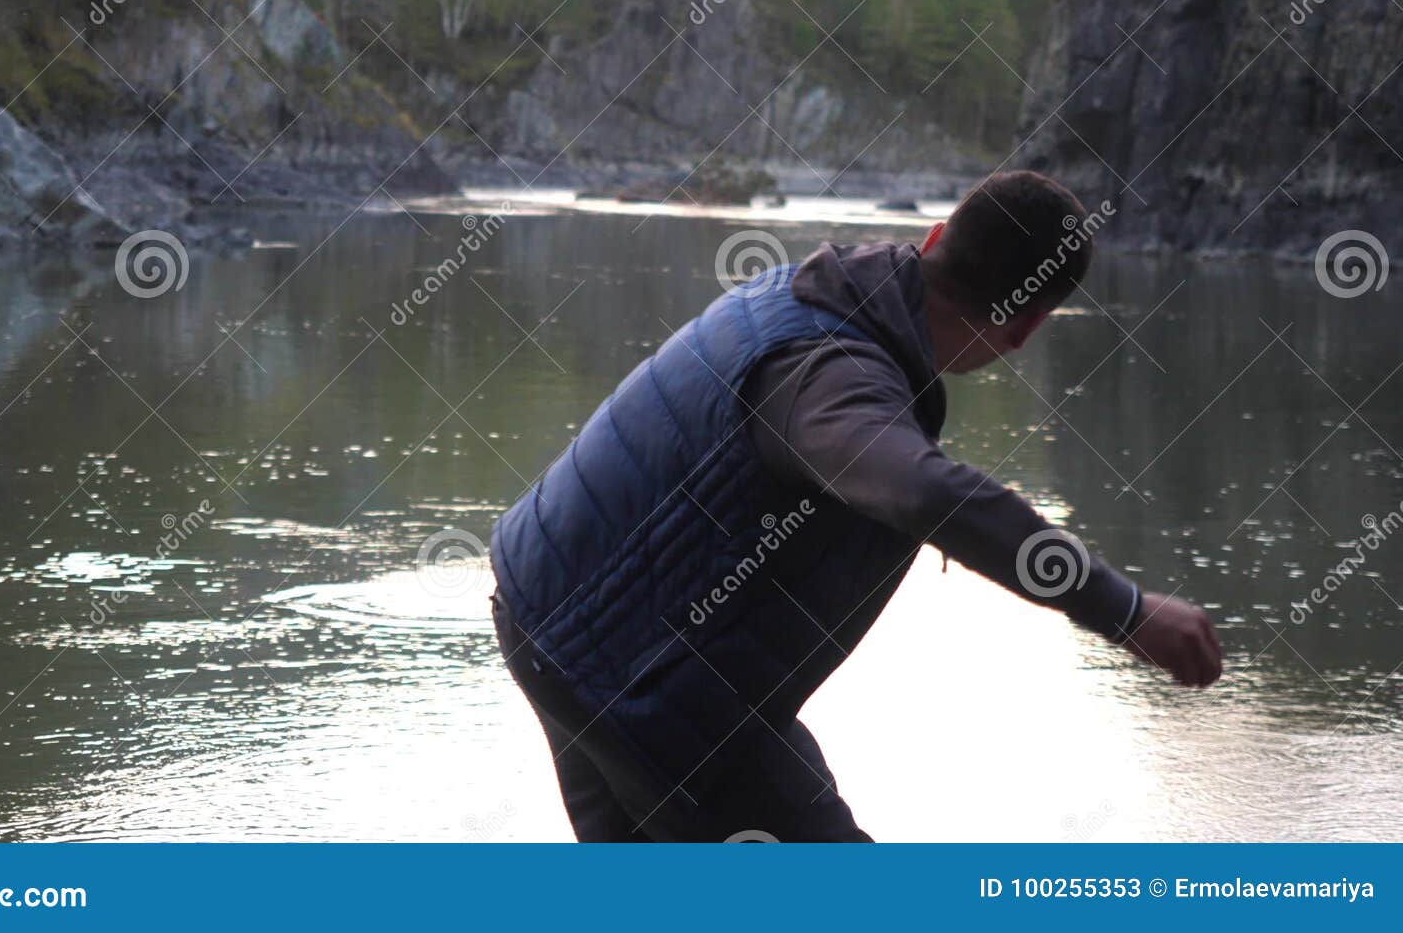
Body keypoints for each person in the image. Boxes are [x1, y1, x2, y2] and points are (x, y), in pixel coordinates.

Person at [488, 171, 1223, 842]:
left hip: (544, 614)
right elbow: (925, 492)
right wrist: (1123, 610)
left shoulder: (815, 288)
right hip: (635, 674)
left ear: (934, 236)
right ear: (1026, 328)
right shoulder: (833, 376)